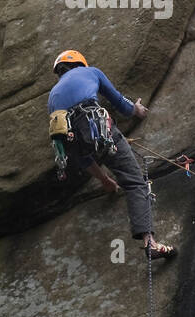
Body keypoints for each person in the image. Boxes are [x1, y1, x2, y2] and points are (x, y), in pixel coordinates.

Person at [48, 50, 176, 259]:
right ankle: (150, 243)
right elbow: (119, 101)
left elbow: (80, 156)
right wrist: (137, 110)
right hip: (97, 127)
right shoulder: (91, 72)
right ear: (80, 63)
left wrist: (105, 180)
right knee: (135, 182)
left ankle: (109, 179)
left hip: (70, 136)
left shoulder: (52, 97)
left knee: (81, 147)